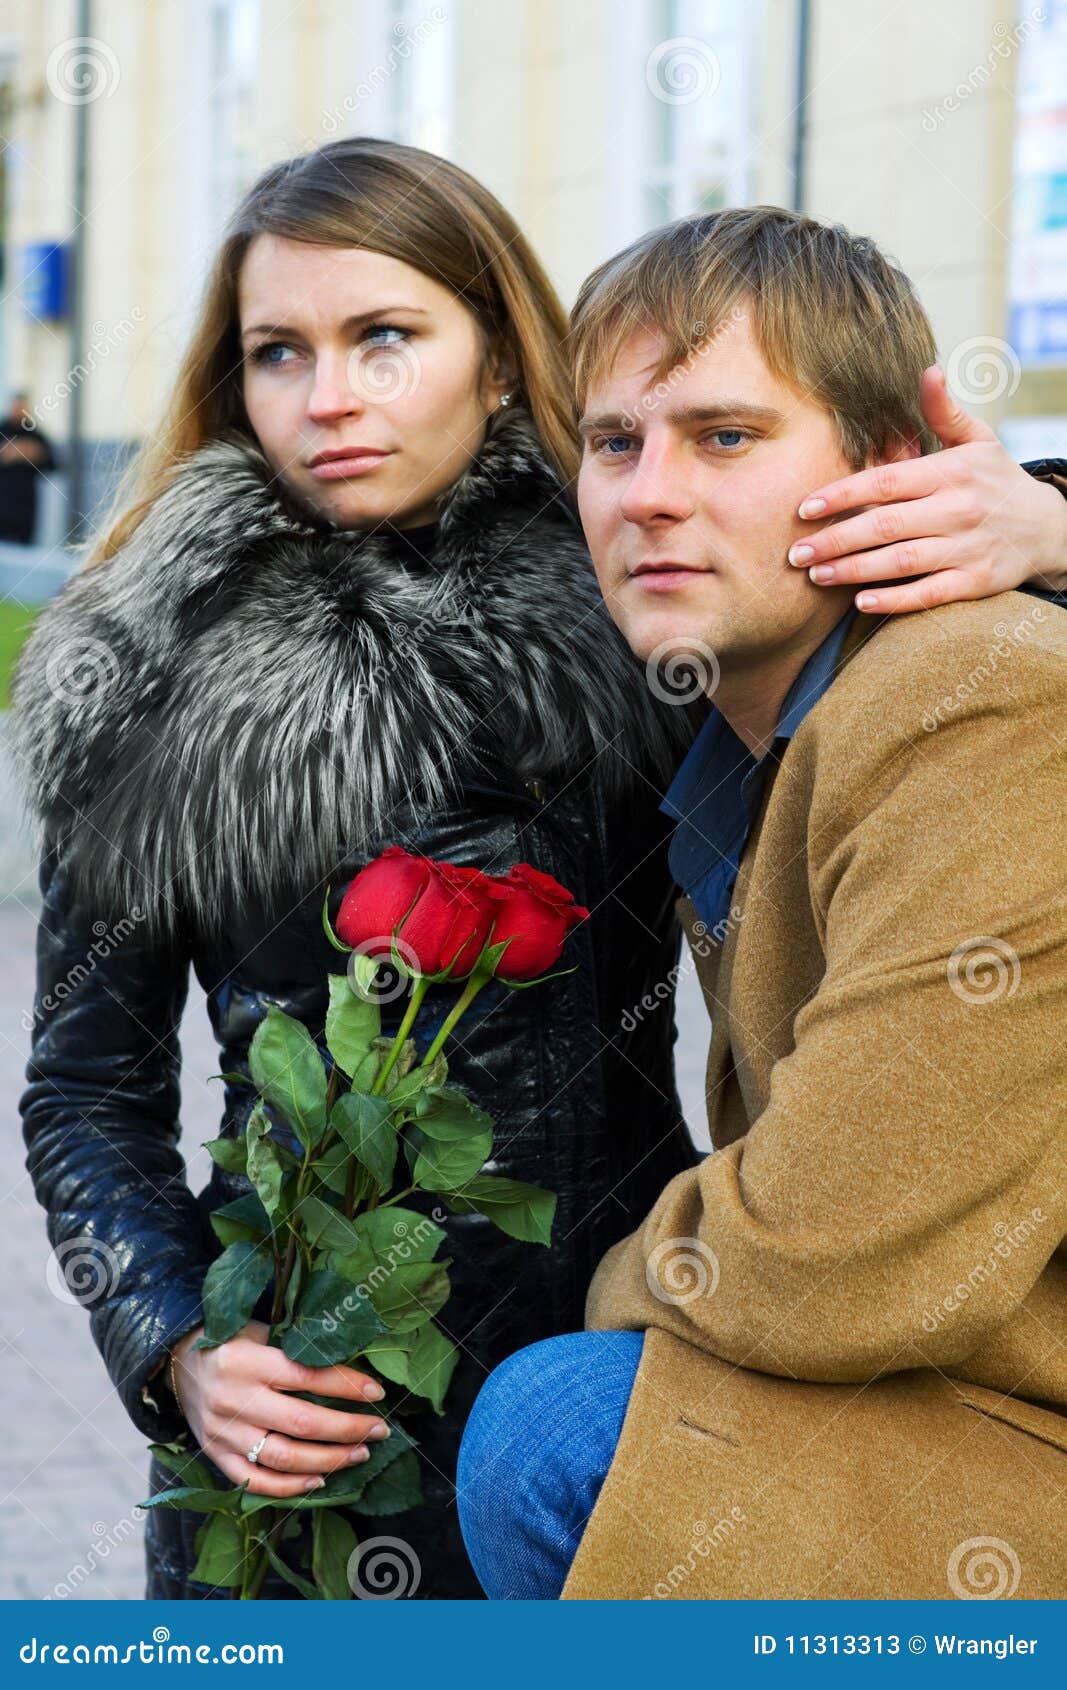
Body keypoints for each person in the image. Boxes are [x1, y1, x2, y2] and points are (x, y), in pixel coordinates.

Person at [10, 143, 1067, 1602]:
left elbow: (877, 590)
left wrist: (1048, 524)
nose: (327, 398)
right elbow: (84, 1083)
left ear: (499, 361)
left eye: (383, 337)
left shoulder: (653, 613)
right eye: (277, 351)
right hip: (308, 1388)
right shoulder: (140, 680)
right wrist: (181, 1344)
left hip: (633, 1362)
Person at [456, 206, 1067, 1602]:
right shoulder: (757, 727)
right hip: (978, 1376)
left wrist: (613, 1280)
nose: (647, 493)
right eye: (613, 443)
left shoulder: (967, 698)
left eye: (723, 437)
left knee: (561, 1424)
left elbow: (838, 1254)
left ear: (893, 470)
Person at [0, 392, 56, 544]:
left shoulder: (35, 434)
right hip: (3, 502)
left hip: (26, 505)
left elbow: (53, 465)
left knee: (24, 549)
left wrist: (36, 454)